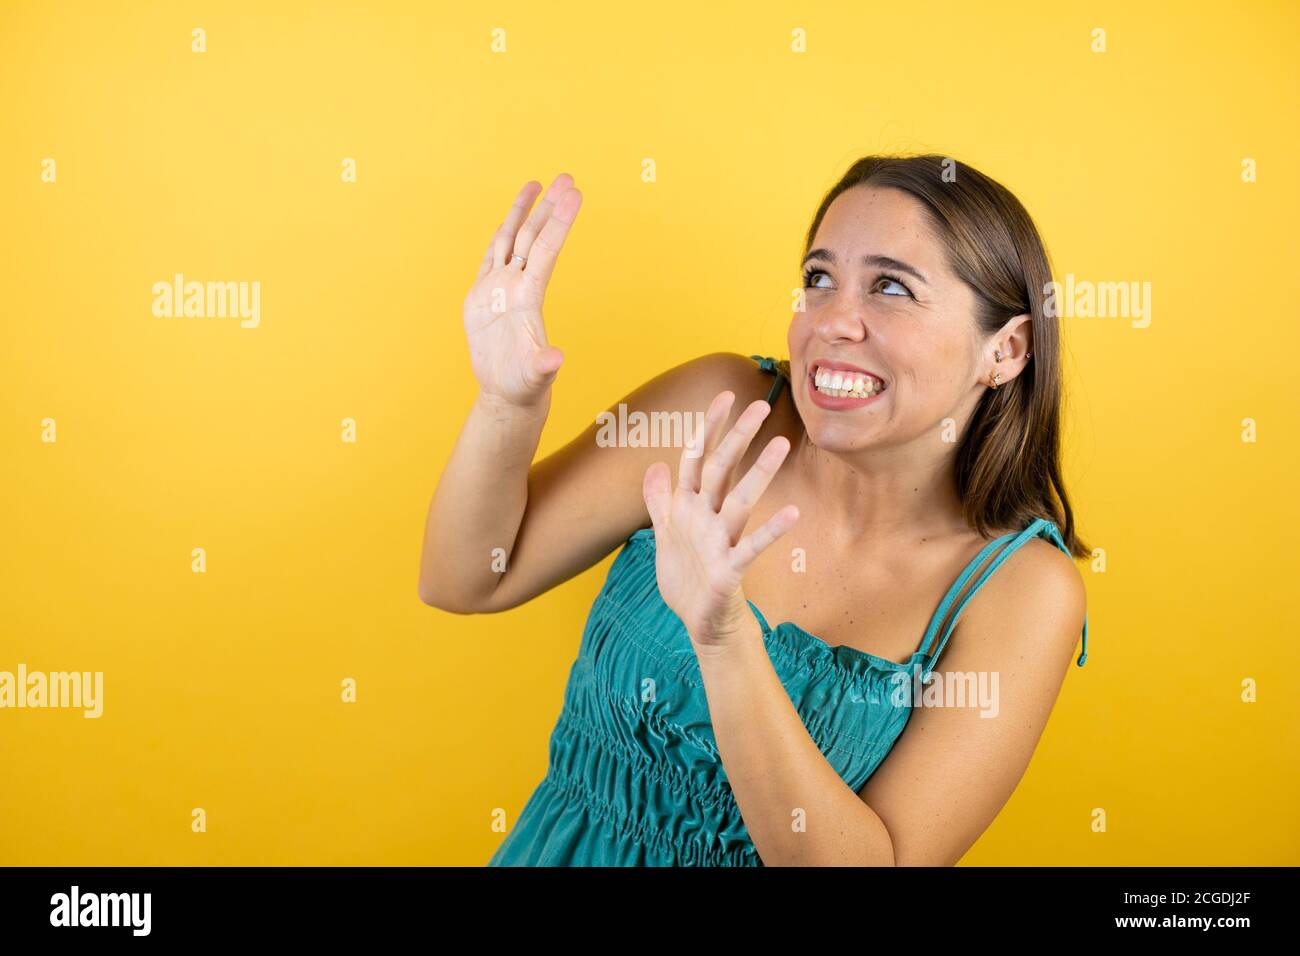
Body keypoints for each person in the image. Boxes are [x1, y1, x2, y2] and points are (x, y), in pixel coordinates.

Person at [419, 155, 1090, 866]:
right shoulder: (719, 408)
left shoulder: (1021, 592)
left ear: (1006, 350)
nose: (833, 321)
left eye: (890, 287)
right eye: (818, 279)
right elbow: (465, 580)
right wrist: (506, 405)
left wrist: (724, 636)